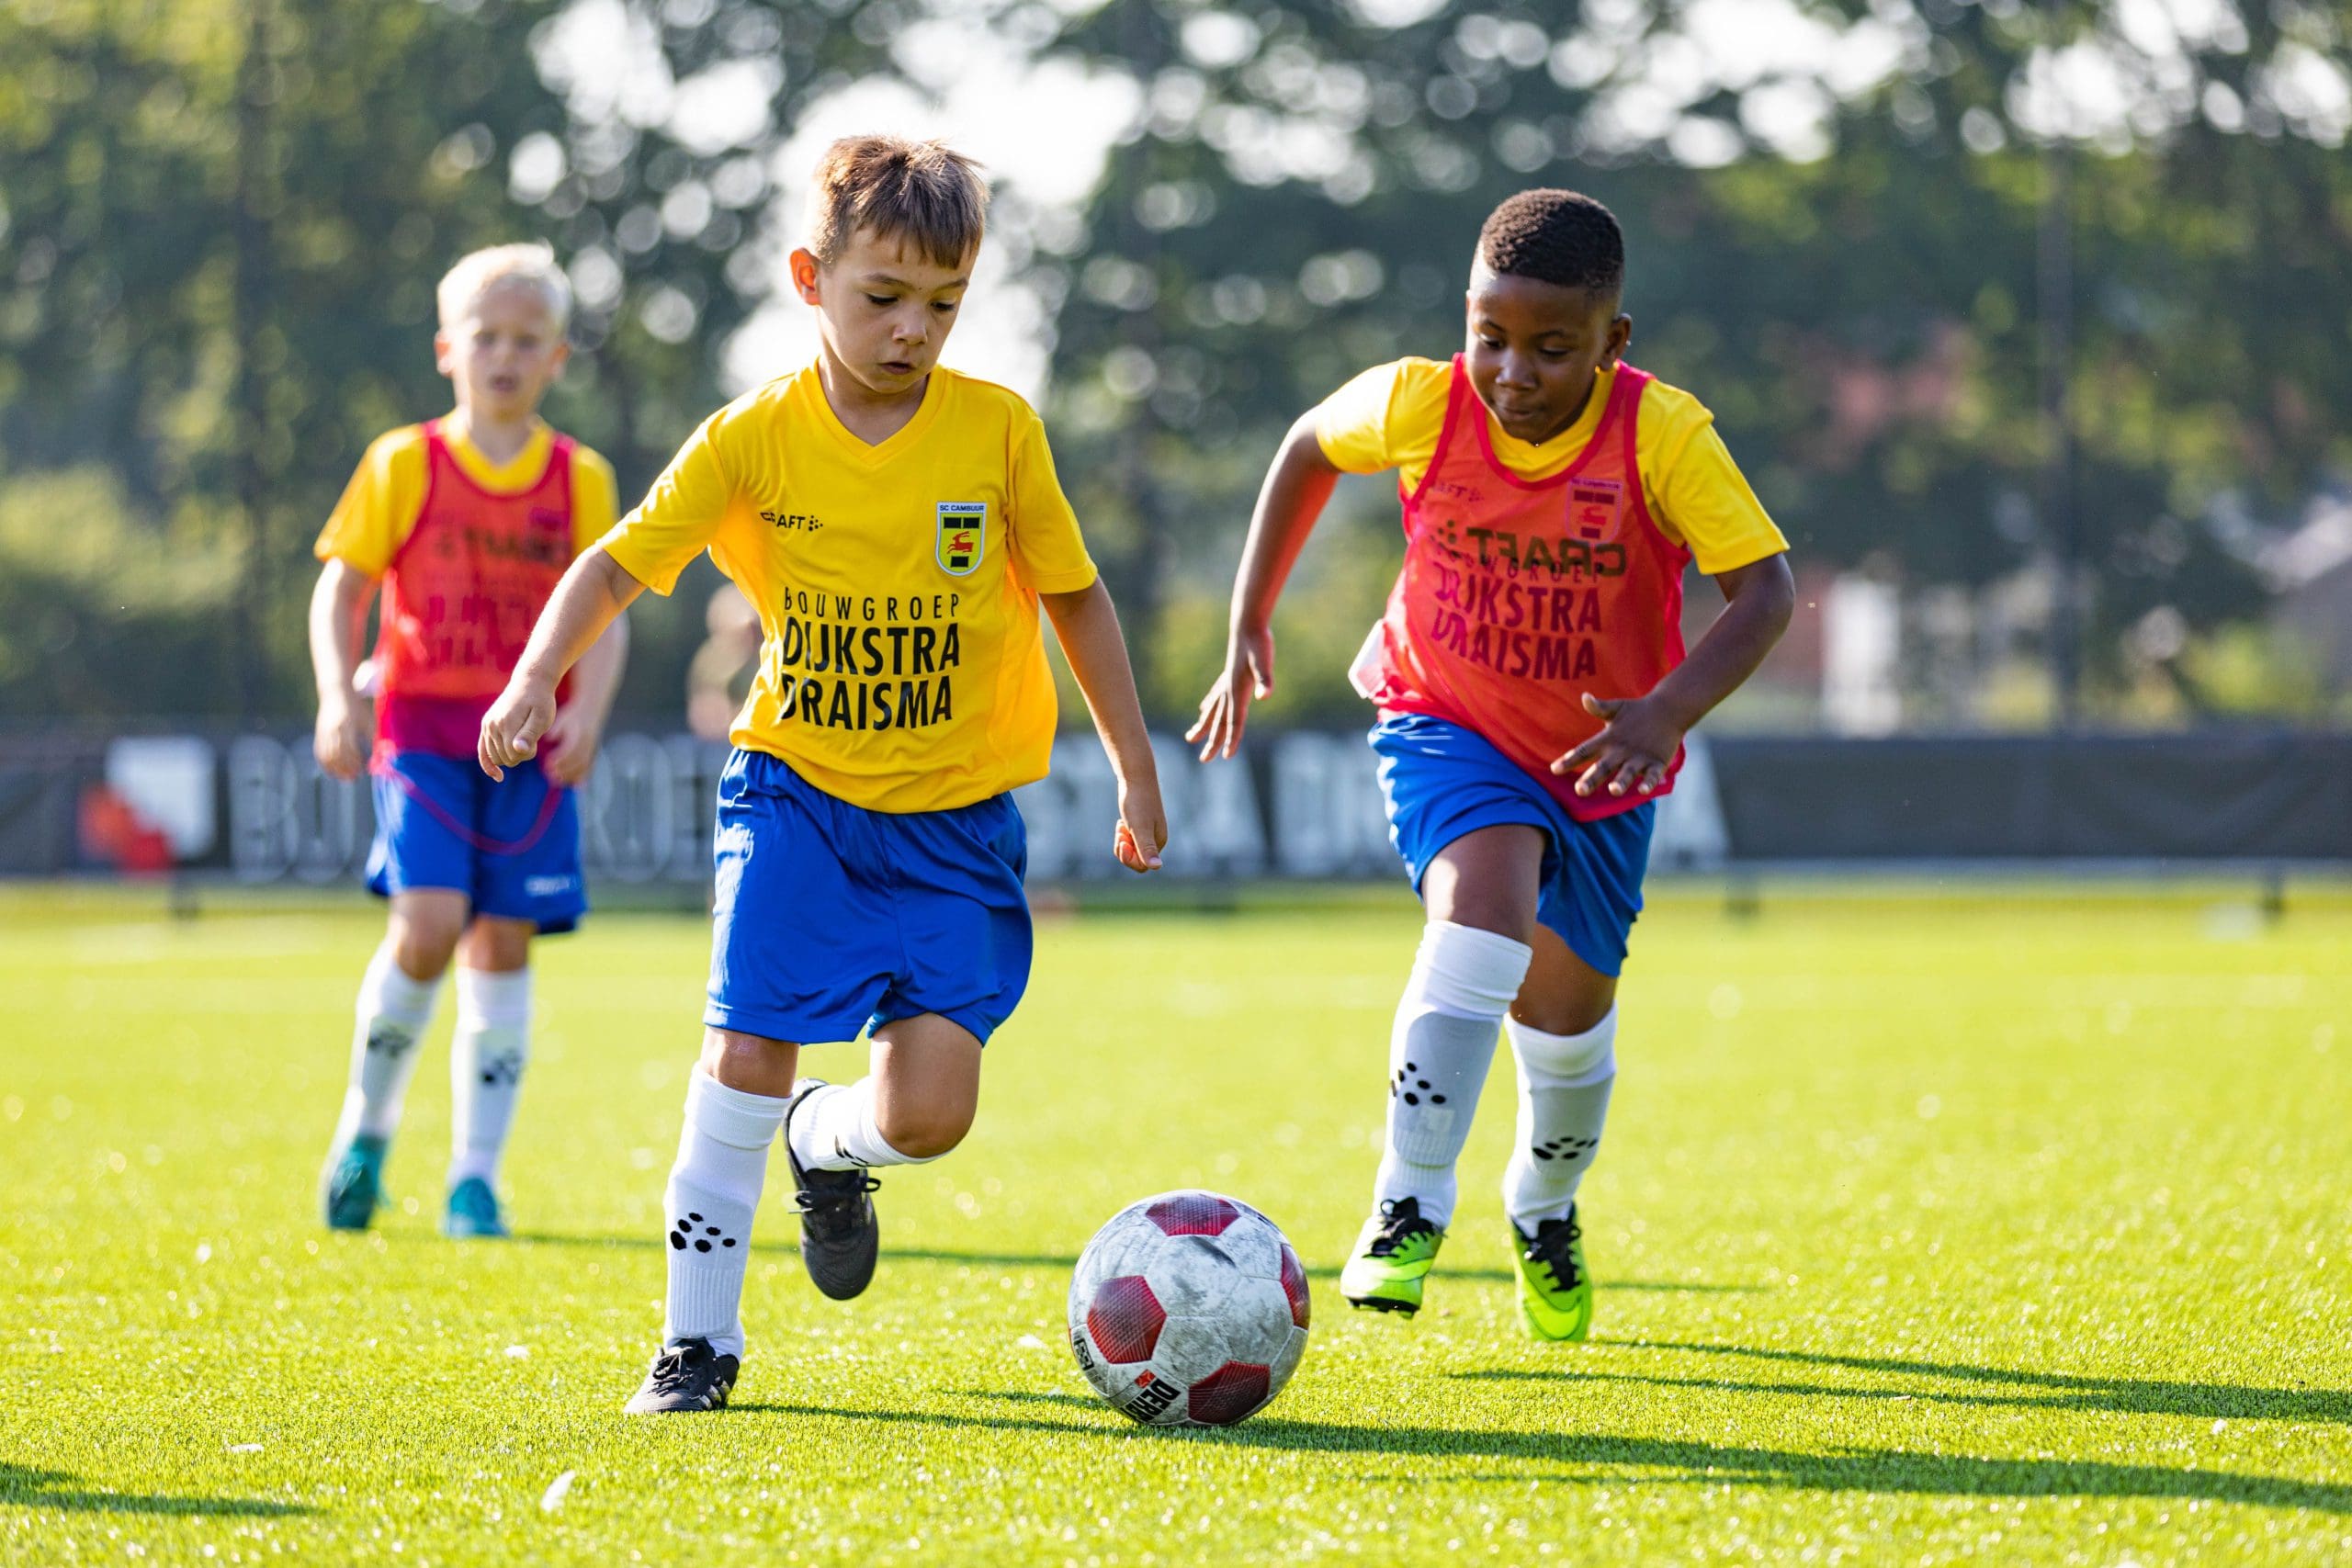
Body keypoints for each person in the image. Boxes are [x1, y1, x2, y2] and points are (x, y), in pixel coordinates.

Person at [478, 135, 1167, 1414]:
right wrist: (533, 678)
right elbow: (613, 566)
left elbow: (1075, 596)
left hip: (959, 821)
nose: (915, 329)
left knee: (931, 1114)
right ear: (812, 275)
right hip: (796, 792)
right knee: (748, 1045)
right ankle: (696, 1345)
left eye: (945, 304)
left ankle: (824, 1142)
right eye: (885, 297)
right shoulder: (753, 439)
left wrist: (1133, 765)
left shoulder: (999, 433)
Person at [1189, 189, 1794, 1341]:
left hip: (1603, 755)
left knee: (1567, 1033)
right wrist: (1248, 618)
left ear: (1613, 344)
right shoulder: (1423, 401)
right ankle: (1407, 1202)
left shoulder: (1662, 436)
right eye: (1490, 336)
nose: (1511, 372)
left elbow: (1765, 589)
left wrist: (1664, 712)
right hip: (1442, 715)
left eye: (1550, 348)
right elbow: (1309, 444)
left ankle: (1544, 1204)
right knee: (1479, 916)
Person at [310, 243, 628, 1240]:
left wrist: (587, 709)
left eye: (526, 340)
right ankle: (364, 1135)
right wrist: (335, 692)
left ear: (557, 358)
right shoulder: (404, 462)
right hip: (423, 731)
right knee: (430, 924)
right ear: (448, 349)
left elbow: (609, 610)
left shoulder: (581, 479)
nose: (504, 355)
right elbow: (345, 584)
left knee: (502, 940)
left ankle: (474, 1179)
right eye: (485, 336)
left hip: (530, 742)